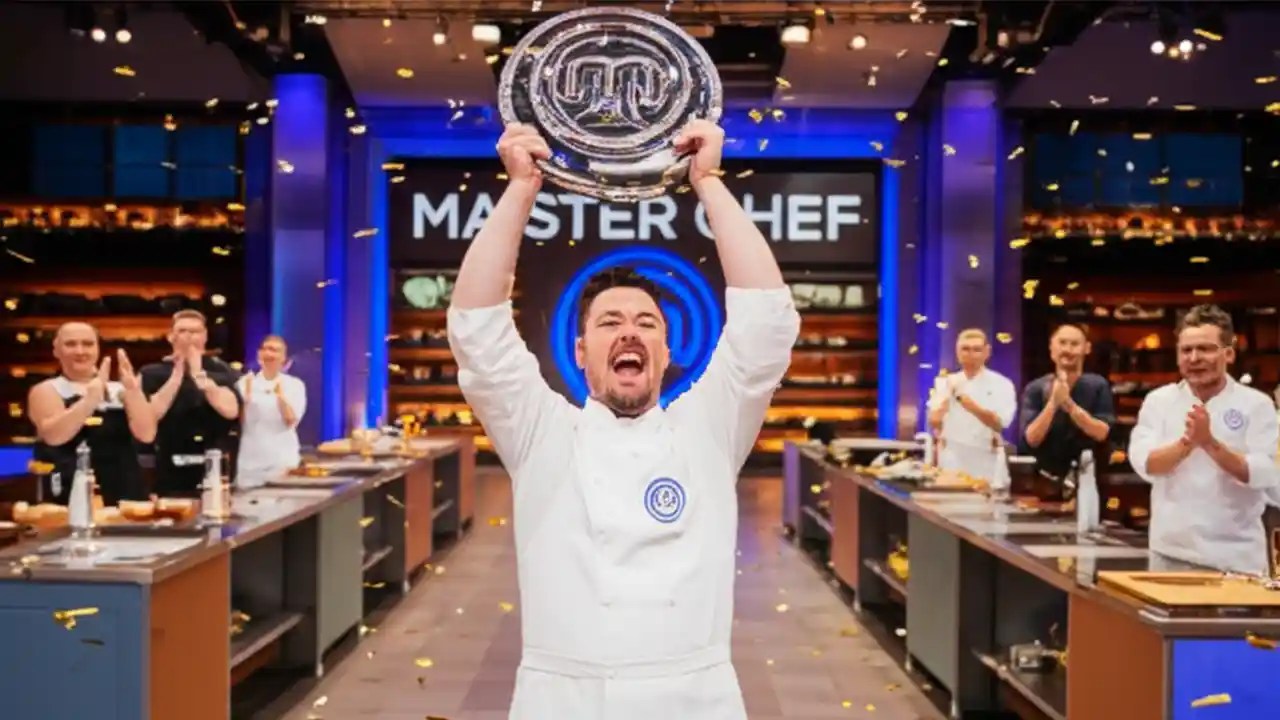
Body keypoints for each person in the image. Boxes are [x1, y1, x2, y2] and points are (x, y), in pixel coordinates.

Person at [447, 121, 799, 720]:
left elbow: (766, 325)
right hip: (562, 697)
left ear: (667, 352)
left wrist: (709, 182)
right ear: (579, 352)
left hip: (695, 696)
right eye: (609, 322)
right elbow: (477, 330)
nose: (630, 330)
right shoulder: (541, 433)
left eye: (647, 323)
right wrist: (520, 191)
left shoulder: (708, 429)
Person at [1127, 305, 1280, 574]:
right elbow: (1146, 464)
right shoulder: (1159, 401)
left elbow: (1263, 473)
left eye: (1206, 349)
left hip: (1237, 557)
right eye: (1186, 350)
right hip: (1170, 552)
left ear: (1229, 354)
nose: (1194, 358)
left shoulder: (1257, 404)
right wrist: (1188, 443)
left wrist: (1209, 443)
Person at [28, 322, 155, 504]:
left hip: (126, 496)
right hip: (70, 495)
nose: (80, 351)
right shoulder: (47, 390)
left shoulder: (119, 390)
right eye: (70, 344)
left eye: (88, 344)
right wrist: (89, 400)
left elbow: (147, 434)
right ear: (56, 350)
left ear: (97, 349)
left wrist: (134, 392)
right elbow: (54, 436)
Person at [140, 309, 242, 496]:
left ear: (205, 336)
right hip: (166, 467)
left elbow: (231, 410)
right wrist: (177, 376)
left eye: (194, 331)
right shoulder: (151, 373)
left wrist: (198, 375)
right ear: (171, 337)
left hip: (215, 465)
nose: (188, 336)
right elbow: (147, 418)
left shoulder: (222, 372)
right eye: (182, 331)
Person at [1019, 323, 1116, 481]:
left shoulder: (1099, 385)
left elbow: (1102, 433)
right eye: (1062, 343)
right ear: (1051, 348)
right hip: (1044, 479)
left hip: (1090, 475)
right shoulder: (1035, 388)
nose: (1067, 349)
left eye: (1074, 344)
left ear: (1087, 348)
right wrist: (1053, 403)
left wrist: (1070, 406)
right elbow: (1031, 439)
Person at [927, 329, 1017, 479]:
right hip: (952, 460)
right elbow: (934, 421)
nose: (970, 354)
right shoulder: (946, 382)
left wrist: (968, 404)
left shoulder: (1002, 384)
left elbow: (999, 423)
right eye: (965, 349)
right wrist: (947, 399)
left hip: (986, 459)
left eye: (976, 350)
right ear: (957, 351)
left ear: (986, 352)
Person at [234, 335, 307, 485]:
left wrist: (280, 396)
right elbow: (239, 422)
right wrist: (246, 400)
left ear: (284, 358)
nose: (268, 353)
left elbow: (291, 421)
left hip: (283, 462)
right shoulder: (244, 383)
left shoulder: (294, 385)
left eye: (274, 350)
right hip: (250, 463)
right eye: (265, 349)